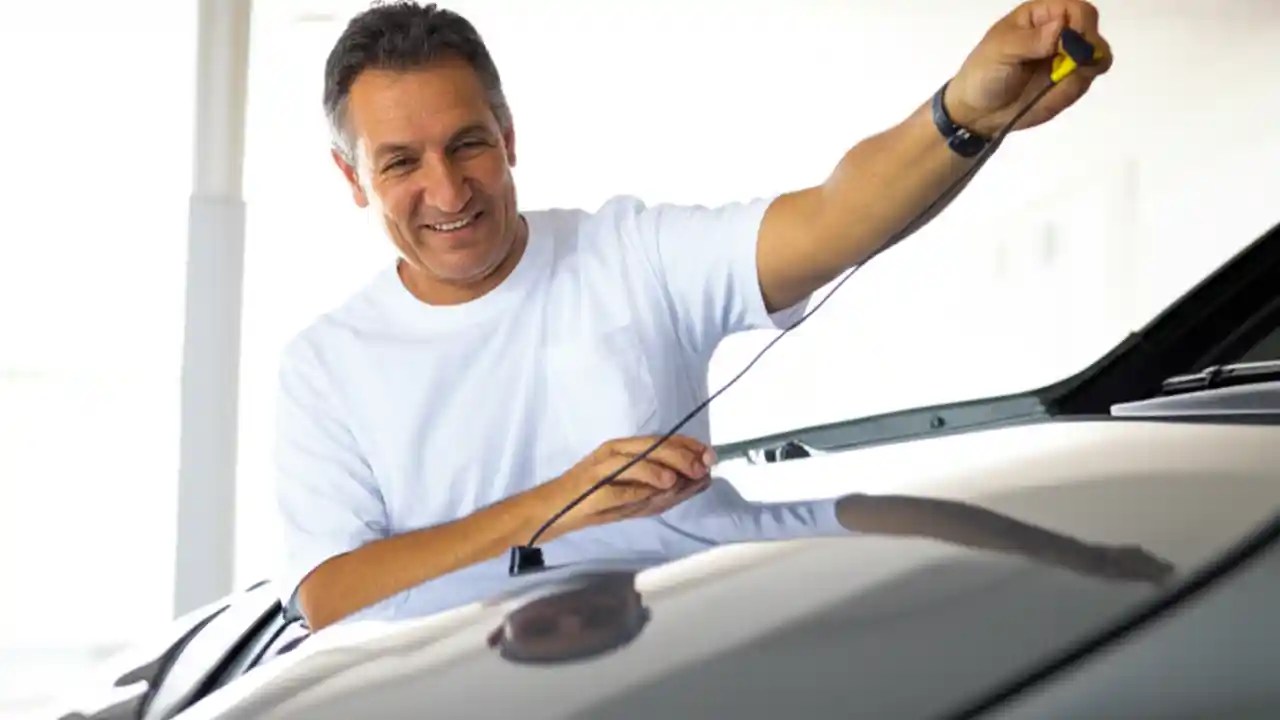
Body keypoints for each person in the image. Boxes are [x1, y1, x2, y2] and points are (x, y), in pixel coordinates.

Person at [275, 0, 1164, 632]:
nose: (446, 188)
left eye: (468, 143)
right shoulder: (326, 365)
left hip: (702, 642)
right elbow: (330, 593)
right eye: (401, 163)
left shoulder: (626, 252)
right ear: (353, 179)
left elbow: (834, 217)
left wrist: (969, 111)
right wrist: (555, 506)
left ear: (508, 137)